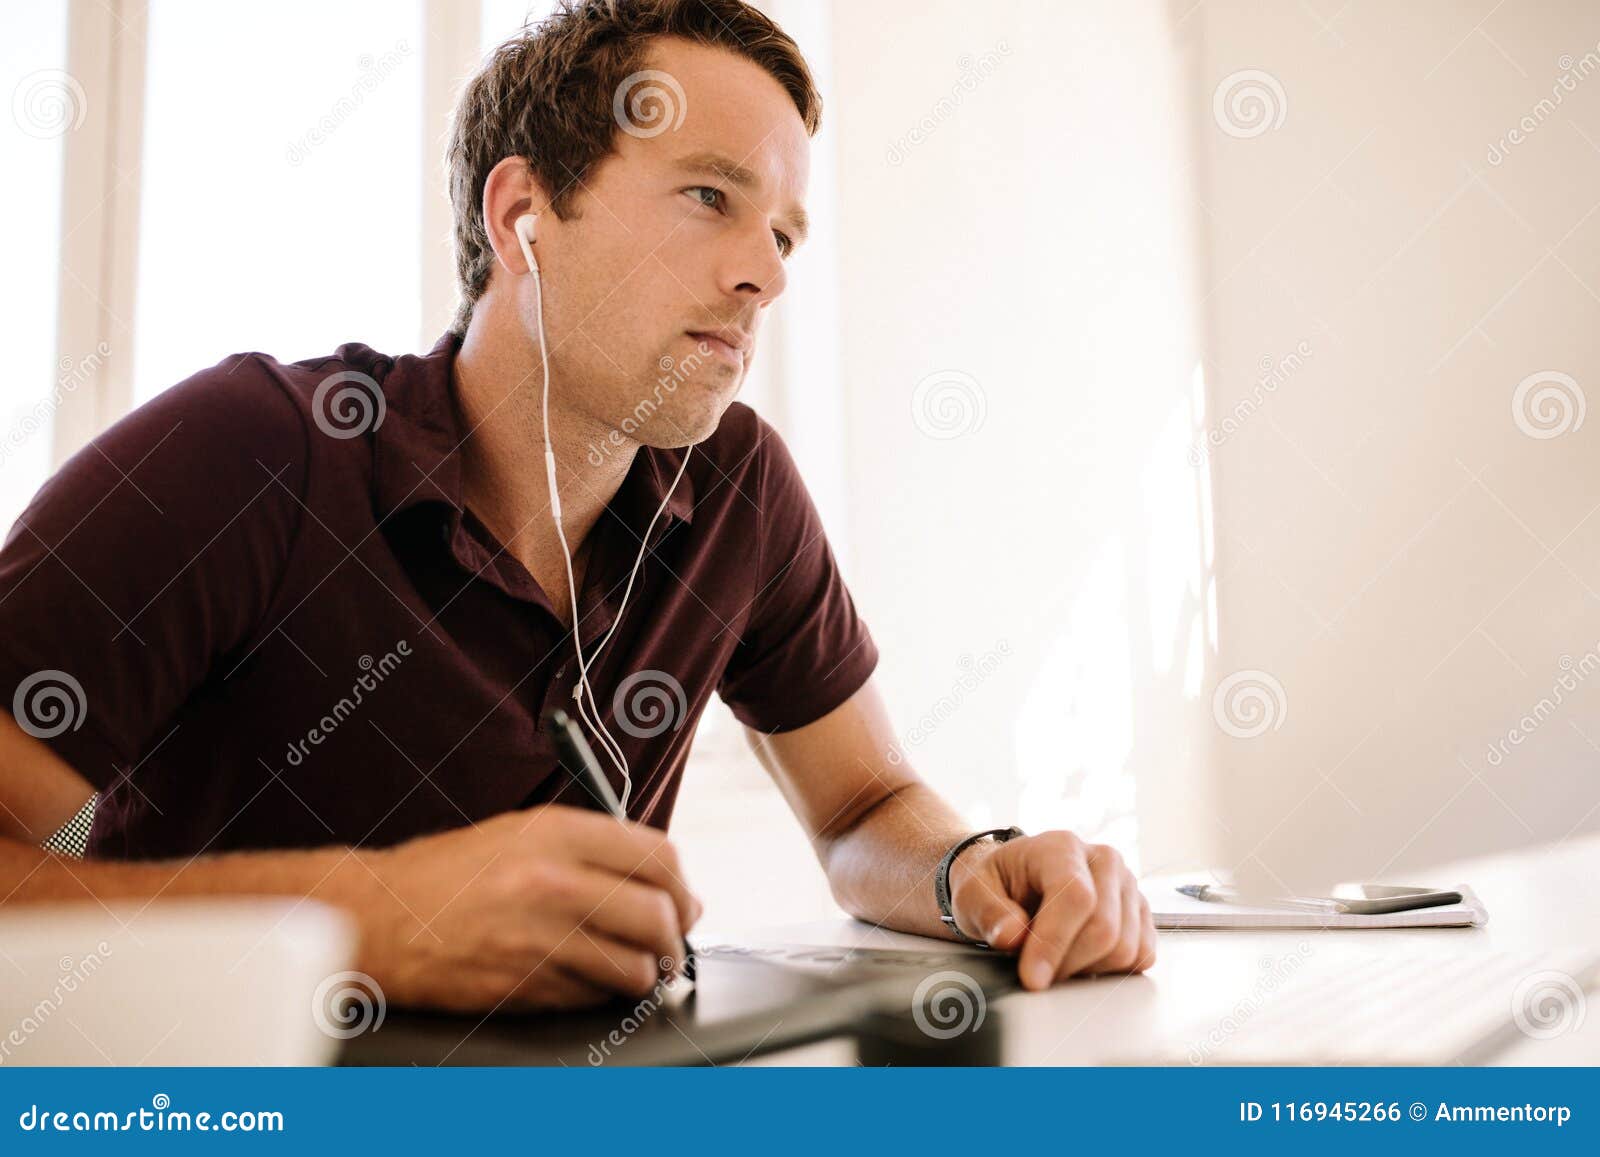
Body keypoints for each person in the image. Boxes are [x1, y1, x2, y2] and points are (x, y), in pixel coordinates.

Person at [0, 0, 1155, 1013]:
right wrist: (370, 916)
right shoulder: (252, 449)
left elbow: (862, 804)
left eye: (785, 233)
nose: (767, 273)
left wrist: (970, 872)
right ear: (523, 217)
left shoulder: (739, 488)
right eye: (712, 195)